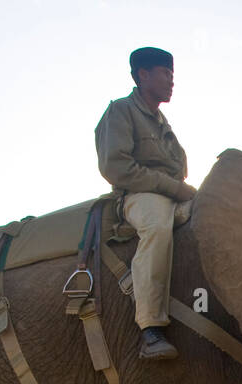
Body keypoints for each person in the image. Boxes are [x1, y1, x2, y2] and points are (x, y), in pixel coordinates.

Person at [94, 46, 195, 361]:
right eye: (166, 73)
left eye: (172, 74)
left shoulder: (164, 124)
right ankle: (150, 329)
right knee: (157, 226)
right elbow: (116, 168)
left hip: (172, 195)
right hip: (137, 196)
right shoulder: (121, 111)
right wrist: (172, 188)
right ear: (143, 74)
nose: (171, 81)